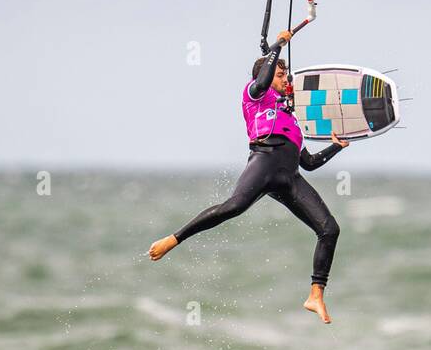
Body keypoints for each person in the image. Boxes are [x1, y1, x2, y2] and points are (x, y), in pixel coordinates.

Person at [148, 30, 348, 323]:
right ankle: (175, 239)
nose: (286, 79)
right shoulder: (255, 94)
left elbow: (309, 163)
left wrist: (336, 147)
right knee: (234, 207)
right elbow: (265, 78)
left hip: (290, 178)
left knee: (330, 229)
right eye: (282, 75)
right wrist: (278, 45)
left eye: (286, 76)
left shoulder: (291, 119)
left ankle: (315, 294)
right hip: (263, 162)